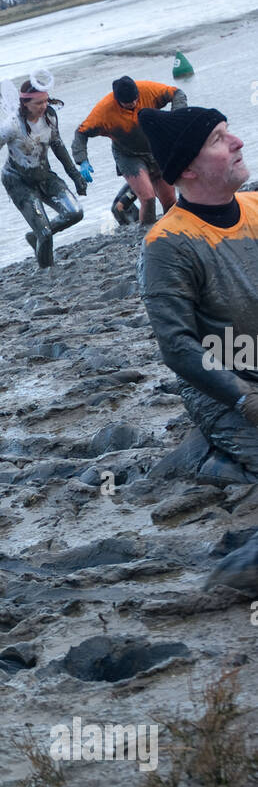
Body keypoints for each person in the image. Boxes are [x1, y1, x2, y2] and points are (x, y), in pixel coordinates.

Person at [138, 105, 258, 575]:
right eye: (218, 139)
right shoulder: (167, 243)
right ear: (187, 169)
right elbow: (177, 346)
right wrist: (242, 399)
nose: (237, 143)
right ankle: (204, 458)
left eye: (229, 133)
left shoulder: (255, 206)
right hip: (222, 386)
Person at [0, 71, 87, 268]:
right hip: (17, 181)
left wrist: (74, 175)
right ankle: (47, 270)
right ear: (25, 104)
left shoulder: (50, 116)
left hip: (44, 174)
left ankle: (35, 236)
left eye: (46, 101)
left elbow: (57, 145)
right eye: (38, 103)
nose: (44, 106)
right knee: (46, 234)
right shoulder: (11, 125)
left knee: (75, 213)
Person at [72, 76, 187, 228]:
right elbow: (81, 133)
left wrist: (175, 118)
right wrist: (82, 160)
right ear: (118, 100)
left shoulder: (148, 90)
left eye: (135, 100)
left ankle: (173, 230)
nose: (133, 104)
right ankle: (147, 232)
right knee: (147, 197)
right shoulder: (104, 110)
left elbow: (178, 93)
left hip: (156, 149)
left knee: (170, 200)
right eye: (128, 103)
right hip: (128, 155)